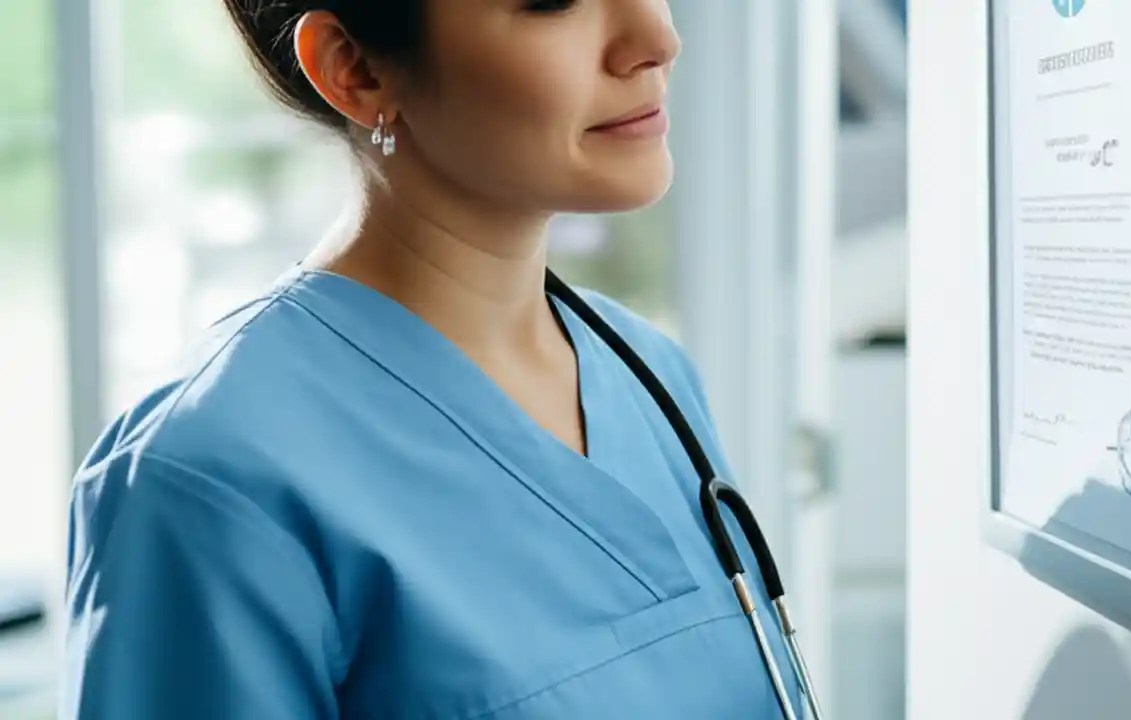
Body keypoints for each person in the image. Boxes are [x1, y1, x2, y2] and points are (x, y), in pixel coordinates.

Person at [60, 1, 802, 718]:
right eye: (552, 2)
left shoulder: (650, 374)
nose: (656, 37)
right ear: (355, 70)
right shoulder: (206, 477)